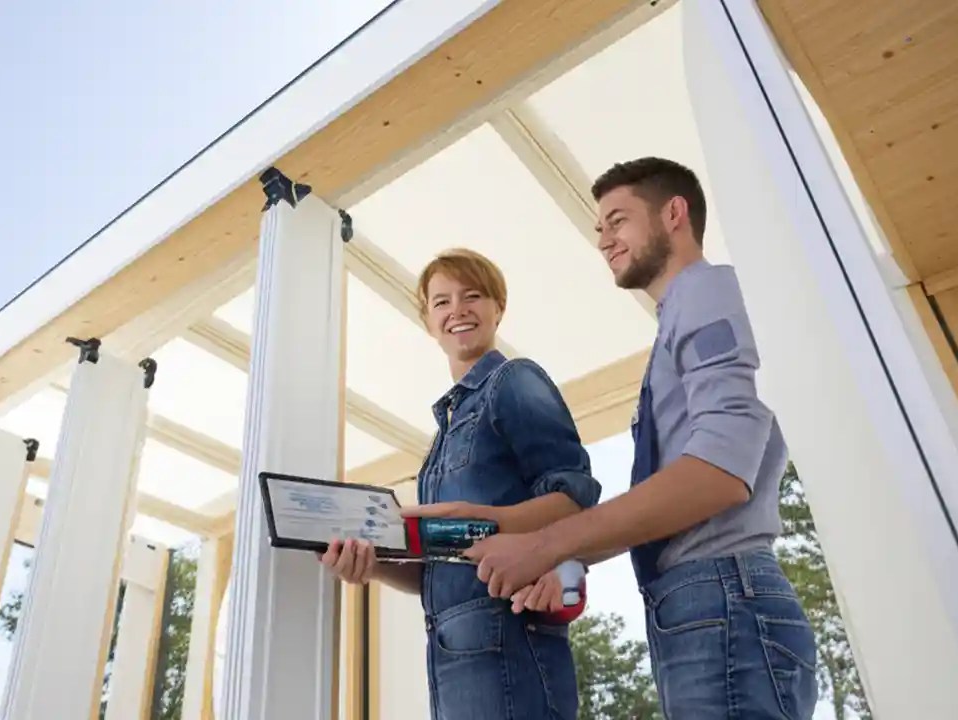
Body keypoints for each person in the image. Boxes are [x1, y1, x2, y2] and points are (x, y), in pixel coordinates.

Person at [462, 158, 820, 718]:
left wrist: (545, 543)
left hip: (723, 596)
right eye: (600, 228)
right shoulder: (678, 321)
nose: (603, 239)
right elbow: (674, 500)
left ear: (674, 213)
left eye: (618, 220)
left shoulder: (706, 292)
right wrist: (565, 560)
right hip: (698, 607)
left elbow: (720, 473)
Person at [318, 247, 602, 720]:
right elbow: (442, 565)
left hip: (512, 643)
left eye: (472, 296)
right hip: (451, 654)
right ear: (428, 321)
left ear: (498, 308)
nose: (458, 310)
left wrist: (466, 520)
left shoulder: (516, 381)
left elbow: (574, 501)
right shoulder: (441, 438)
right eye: (442, 302)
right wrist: (372, 562)